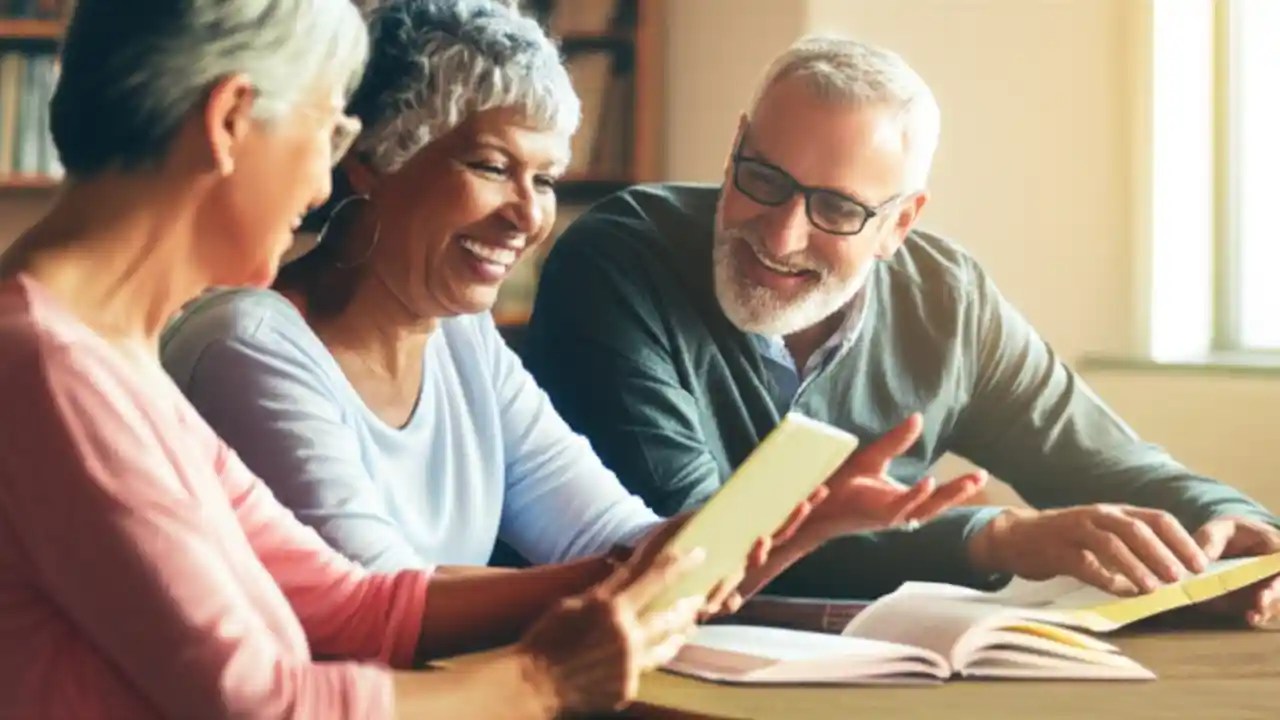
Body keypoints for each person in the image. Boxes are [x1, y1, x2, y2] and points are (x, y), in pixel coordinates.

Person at [0, 1, 777, 717]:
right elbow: (259, 703)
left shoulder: (108, 358)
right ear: (230, 120)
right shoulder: (46, 367)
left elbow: (351, 603)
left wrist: (669, 562)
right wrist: (540, 680)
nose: (320, 185)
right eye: (330, 134)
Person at [160, 0, 979, 609]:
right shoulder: (247, 346)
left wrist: (804, 525)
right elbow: (383, 606)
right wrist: (644, 576)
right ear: (376, 156)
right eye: (491, 166)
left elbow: (614, 537)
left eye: (545, 178)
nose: (528, 215)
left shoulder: (463, 340)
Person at [522, 35, 1280, 626]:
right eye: (765, 180)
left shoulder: (948, 300)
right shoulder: (619, 261)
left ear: (901, 223)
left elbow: (1108, 464)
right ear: (734, 151)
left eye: (838, 209)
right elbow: (696, 544)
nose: (781, 235)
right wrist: (995, 538)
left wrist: (1232, 523)